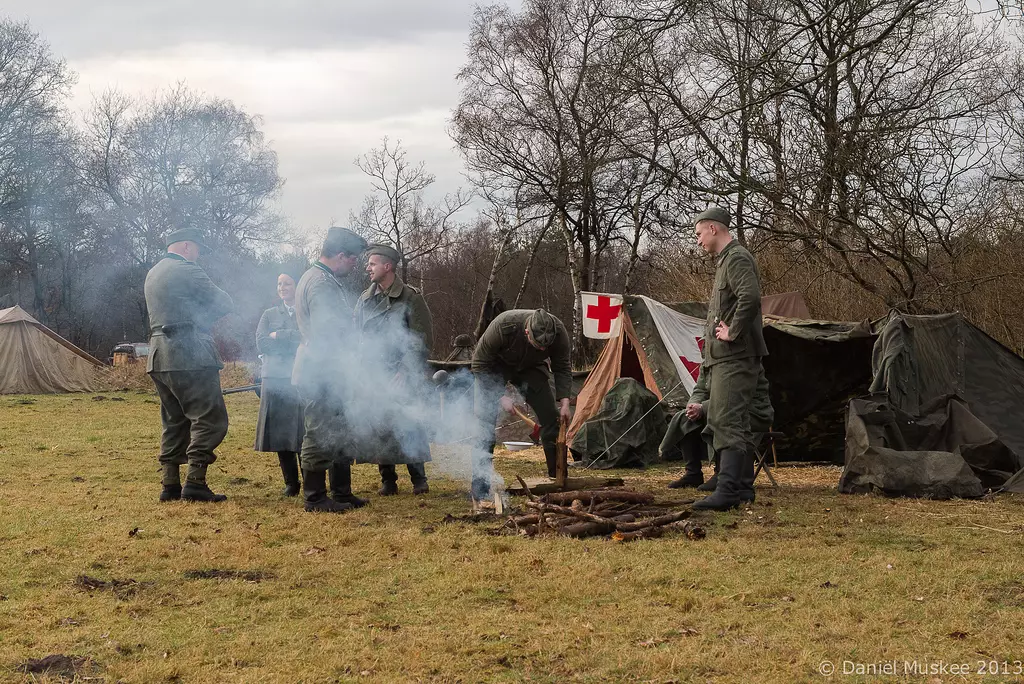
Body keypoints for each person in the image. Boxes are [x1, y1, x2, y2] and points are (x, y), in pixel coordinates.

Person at [144, 228, 233, 503]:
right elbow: (225, 302)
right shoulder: (187, 270)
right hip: (190, 352)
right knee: (209, 418)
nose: (198, 254)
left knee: (174, 420)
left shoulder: (153, 272)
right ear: (185, 246)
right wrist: (203, 317)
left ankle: (169, 483)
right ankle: (195, 482)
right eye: (197, 248)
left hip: (159, 354)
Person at [690, 206, 769, 511]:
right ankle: (743, 490)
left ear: (713, 228)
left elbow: (750, 297)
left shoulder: (736, 258)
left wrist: (733, 331)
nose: (698, 242)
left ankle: (727, 493)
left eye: (699, 234)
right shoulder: (725, 261)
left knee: (725, 420)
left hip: (735, 356)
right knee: (733, 421)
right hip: (727, 357)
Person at [293, 226, 369, 513]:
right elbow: (328, 331)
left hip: (329, 367)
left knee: (338, 428)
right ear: (339, 256)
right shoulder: (320, 283)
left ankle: (341, 492)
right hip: (321, 368)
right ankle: (314, 497)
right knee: (319, 430)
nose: (354, 265)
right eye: (352, 259)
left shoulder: (323, 279)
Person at [353, 244, 435, 495]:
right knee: (379, 424)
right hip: (374, 373)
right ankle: (388, 480)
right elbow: (356, 336)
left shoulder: (410, 297)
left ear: (387, 266)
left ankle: (419, 479)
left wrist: (406, 369)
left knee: (408, 422)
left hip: (402, 373)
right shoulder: (365, 299)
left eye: (373, 263)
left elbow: (422, 338)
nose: (368, 268)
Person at [471, 309, 572, 499]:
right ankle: (480, 488)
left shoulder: (559, 333)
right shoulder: (503, 326)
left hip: (531, 368)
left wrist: (565, 402)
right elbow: (479, 365)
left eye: (546, 347)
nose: (543, 349)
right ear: (527, 332)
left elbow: (562, 367)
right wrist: (500, 396)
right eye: (538, 344)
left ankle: (557, 480)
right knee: (484, 425)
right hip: (494, 368)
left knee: (551, 418)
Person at [663, 362, 773, 502]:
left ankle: (722, 473)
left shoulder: (743, 361)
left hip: (751, 411)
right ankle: (693, 473)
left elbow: (735, 396)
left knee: (721, 421)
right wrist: (693, 405)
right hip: (720, 408)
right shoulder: (709, 363)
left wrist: (703, 407)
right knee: (684, 418)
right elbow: (700, 389)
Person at [254, 273, 305, 496]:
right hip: (274, 378)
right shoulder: (268, 314)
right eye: (279, 284)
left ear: (298, 286)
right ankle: (291, 484)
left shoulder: (306, 313)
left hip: (301, 376)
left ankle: (311, 481)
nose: (282, 287)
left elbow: (307, 338)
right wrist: (290, 344)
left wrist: (280, 335)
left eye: (287, 283)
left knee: (302, 430)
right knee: (280, 432)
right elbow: (261, 342)